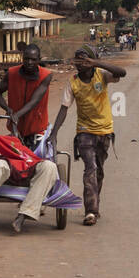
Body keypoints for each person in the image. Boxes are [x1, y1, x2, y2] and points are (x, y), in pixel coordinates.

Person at [0, 43, 60, 233]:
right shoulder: (12, 73)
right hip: (16, 131)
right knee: (10, 162)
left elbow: (35, 101)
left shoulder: (45, 76)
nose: (29, 62)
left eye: (33, 59)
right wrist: (8, 110)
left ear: (39, 60)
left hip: (37, 129)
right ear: (22, 58)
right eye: (26, 58)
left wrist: (18, 114)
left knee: (42, 165)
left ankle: (25, 212)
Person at [51, 46, 126, 226]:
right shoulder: (73, 82)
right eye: (77, 61)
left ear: (91, 62)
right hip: (84, 132)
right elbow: (64, 108)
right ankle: (91, 211)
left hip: (104, 131)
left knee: (99, 171)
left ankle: (95, 204)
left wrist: (96, 63)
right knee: (90, 169)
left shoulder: (102, 75)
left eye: (84, 60)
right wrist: (53, 133)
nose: (80, 64)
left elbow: (122, 72)